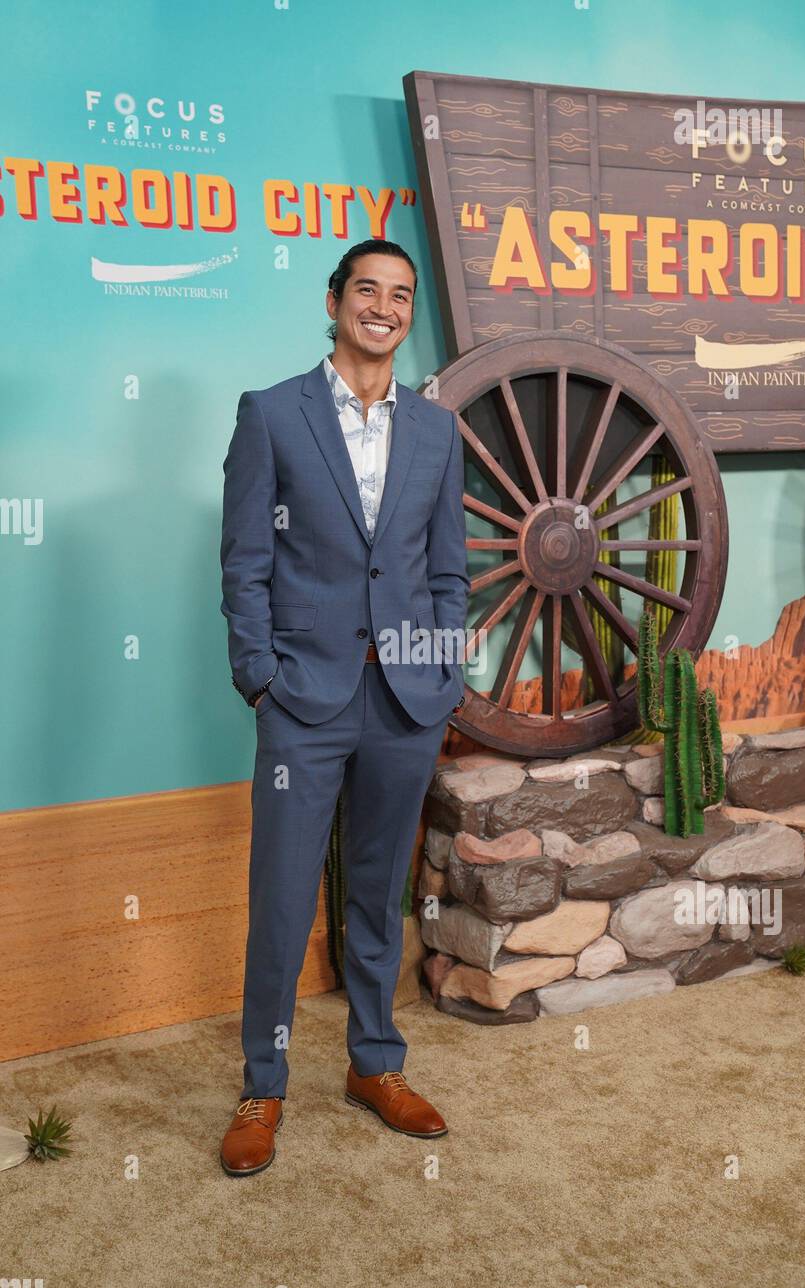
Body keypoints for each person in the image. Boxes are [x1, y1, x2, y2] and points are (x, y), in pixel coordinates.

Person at [218, 239, 469, 1176]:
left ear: (409, 315)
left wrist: (440, 673)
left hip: (406, 699)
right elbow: (243, 562)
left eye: (400, 295)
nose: (384, 306)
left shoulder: (438, 430)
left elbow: (448, 568)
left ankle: (375, 1064)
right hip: (303, 699)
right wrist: (261, 676)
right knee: (281, 900)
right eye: (367, 289)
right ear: (334, 302)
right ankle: (263, 1085)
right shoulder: (272, 414)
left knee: (379, 894)